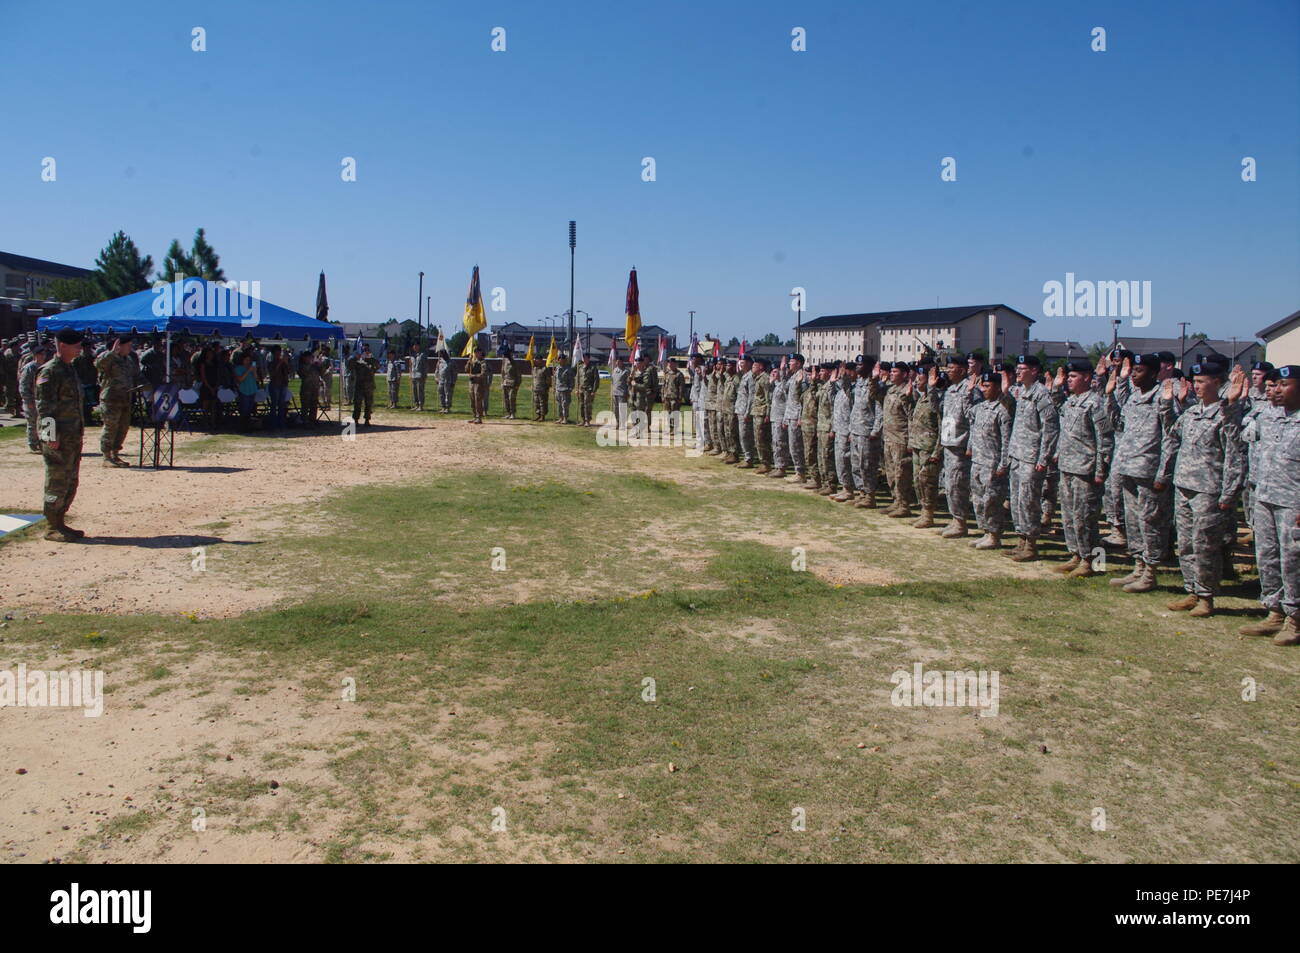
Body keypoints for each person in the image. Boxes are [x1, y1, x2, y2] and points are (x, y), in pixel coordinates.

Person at [1156, 362, 1246, 618]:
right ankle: (1192, 590)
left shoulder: (1225, 415)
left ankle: (1206, 596)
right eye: (1195, 381)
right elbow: (1171, 434)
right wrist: (1168, 405)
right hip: (1184, 486)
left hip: (1209, 489)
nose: (1196, 386)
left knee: (1205, 544)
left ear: (1217, 383)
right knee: (1185, 543)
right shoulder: (1191, 413)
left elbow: (1235, 455)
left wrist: (1229, 493)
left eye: (1202, 381)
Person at [1241, 365, 1300, 644]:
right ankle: (1274, 611)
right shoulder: (1268, 416)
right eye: (1274, 385)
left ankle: (1295, 619)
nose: (1276, 390)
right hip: (1264, 497)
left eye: (1284, 385)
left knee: (1293, 561)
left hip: (1293, 504)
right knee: (1268, 557)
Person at [1107, 354, 1175, 593]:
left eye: (1140, 370)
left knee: (1150, 523)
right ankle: (1138, 566)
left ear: (1154, 373)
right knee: (1133, 522)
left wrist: (1164, 474)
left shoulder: (1162, 398)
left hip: (1148, 471)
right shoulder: (1134, 397)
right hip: (1128, 468)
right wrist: (1110, 396)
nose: (1134, 374)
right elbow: (1118, 425)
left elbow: (1171, 437)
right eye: (1134, 370)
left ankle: (1151, 572)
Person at [1052, 360, 1113, 578]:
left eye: (1073, 376)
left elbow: (1105, 439)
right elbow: (1056, 408)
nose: (1069, 380)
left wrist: (1101, 470)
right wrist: (1056, 387)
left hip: (1086, 471)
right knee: (1069, 517)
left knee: (1087, 518)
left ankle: (1094, 562)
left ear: (1087, 377)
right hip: (1068, 466)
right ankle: (1077, 554)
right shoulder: (1071, 402)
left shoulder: (1095, 403)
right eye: (1068, 377)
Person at [1004, 354, 1060, 562]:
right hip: (1017, 455)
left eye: (1022, 368)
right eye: (1017, 368)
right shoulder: (1020, 392)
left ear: (1034, 371)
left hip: (1031, 457)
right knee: (1017, 500)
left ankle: (1031, 544)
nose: (1018, 372)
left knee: (1029, 501)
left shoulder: (1041, 394)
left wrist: (1044, 458)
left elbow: (1050, 429)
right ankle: (1021, 539)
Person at [36, 329, 88, 542]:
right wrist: (50, 436)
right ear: (63, 346)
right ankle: (51, 526)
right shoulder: (50, 371)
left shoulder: (69, 368)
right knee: (57, 481)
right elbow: (44, 407)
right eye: (77, 346)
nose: (80, 349)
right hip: (57, 438)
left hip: (71, 435)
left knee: (70, 480)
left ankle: (60, 522)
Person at [966, 371, 1013, 550]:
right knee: (978, 499)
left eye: (988, 386)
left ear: (997, 387)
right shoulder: (980, 407)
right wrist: (970, 392)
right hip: (978, 461)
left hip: (992, 463)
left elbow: (1006, 440)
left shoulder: (1002, 410)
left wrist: (1003, 464)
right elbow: (970, 422)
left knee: (991, 501)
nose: (984, 389)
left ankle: (994, 535)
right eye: (982, 386)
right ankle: (986, 532)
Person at [938, 352, 979, 538]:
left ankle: (961, 522)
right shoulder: (951, 390)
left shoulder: (970, 390)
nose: (948, 371)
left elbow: (974, 420)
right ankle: (955, 519)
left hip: (960, 446)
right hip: (949, 443)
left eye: (952, 368)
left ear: (962, 370)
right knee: (950, 484)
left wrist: (970, 446)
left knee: (958, 484)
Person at [94, 335, 137, 466]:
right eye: (128, 345)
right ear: (119, 346)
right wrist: (111, 353)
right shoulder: (109, 357)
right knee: (111, 426)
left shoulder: (128, 360)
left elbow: (136, 375)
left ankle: (115, 454)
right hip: (111, 399)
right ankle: (106, 457)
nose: (130, 348)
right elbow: (98, 364)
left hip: (125, 398)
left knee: (122, 427)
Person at [908, 364, 942, 525]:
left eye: (919, 379)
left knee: (927, 481)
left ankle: (929, 514)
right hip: (917, 445)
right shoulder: (922, 398)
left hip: (929, 447)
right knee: (917, 481)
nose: (916, 381)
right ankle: (923, 511)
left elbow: (942, 427)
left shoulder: (937, 399)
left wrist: (937, 451)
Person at [881, 362, 915, 517]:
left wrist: (911, 441)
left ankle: (904, 505)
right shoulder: (890, 390)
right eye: (891, 371)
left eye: (895, 371)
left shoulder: (908, 391)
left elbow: (912, 418)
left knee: (902, 474)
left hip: (901, 439)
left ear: (904, 374)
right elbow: (874, 395)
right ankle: (896, 500)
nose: (891, 374)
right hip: (889, 437)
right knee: (891, 473)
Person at [830, 360, 857, 501]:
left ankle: (849, 489)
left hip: (847, 430)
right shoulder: (841, 390)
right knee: (839, 460)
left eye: (848, 372)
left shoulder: (853, 390)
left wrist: (844, 377)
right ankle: (844, 488)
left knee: (846, 461)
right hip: (839, 429)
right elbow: (832, 403)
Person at [20, 341, 50, 453]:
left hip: (41, 400)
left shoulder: (44, 367)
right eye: (40, 354)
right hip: (31, 399)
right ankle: (33, 444)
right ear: (35, 355)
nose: (43, 356)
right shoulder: (29, 367)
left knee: (44, 422)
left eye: (44, 354)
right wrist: (28, 400)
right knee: (32, 422)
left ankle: (44, 443)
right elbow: (23, 386)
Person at [748, 356, 772, 472]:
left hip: (762, 413)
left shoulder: (765, 379)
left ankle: (765, 463)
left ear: (761, 367)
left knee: (761, 439)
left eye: (754, 366)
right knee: (757, 439)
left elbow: (768, 398)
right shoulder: (757, 378)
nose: (752, 368)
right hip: (756, 412)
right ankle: (763, 462)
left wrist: (768, 414)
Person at [733, 356, 755, 466]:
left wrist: (747, 412)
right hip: (740, 409)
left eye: (743, 362)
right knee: (742, 435)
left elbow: (751, 396)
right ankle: (747, 457)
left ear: (749, 363)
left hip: (745, 411)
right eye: (740, 362)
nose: (741, 364)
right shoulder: (744, 376)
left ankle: (748, 458)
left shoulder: (750, 376)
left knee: (745, 435)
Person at [348, 345, 378, 426]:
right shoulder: (358, 361)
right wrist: (356, 357)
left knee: (368, 404)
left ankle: (367, 420)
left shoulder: (371, 361)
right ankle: (356, 419)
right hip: (359, 385)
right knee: (357, 403)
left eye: (367, 351)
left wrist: (371, 359)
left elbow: (377, 366)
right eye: (364, 351)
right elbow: (349, 365)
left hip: (369, 386)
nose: (366, 353)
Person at [630, 353, 658, 437]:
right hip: (633, 396)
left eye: (639, 363)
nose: (637, 365)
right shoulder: (635, 372)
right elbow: (629, 382)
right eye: (636, 363)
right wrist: (631, 375)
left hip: (641, 396)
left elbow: (646, 386)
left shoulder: (647, 372)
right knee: (633, 414)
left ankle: (640, 431)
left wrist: (635, 385)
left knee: (641, 414)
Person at [233, 348, 259, 430]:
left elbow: (256, 378)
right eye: (246, 360)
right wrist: (248, 370)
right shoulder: (238, 368)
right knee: (244, 409)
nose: (248, 361)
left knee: (250, 409)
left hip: (252, 390)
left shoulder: (251, 367)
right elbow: (240, 379)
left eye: (249, 360)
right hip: (244, 391)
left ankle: (248, 426)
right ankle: (242, 426)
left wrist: (254, 371)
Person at [298, 346, 322, 426]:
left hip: (315, 388)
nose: (310, 359)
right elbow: (303, 374)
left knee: (314, 405)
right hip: (306, 389)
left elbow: (322, 372)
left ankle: (312, 419)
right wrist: (311, 364)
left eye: (311, 357)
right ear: (304, 358)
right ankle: (304, 420)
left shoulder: (314, 366)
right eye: (309, 357)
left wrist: (319, 364)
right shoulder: (302, 366)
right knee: (305, 405)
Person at [661, 357, 686, 437]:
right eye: (669, 363)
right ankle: (670, 429)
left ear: (675, 364)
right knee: (668, 414)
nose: (670, 365)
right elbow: (664, 385)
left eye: (672, 363)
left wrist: (680, 397)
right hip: (667, 397)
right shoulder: (667, 373)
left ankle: (675, 429)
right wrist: (662, 395)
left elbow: (681, 387)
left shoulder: (679, 374)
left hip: (675, 397)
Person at [575, 350, 600, 427]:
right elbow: (577, 378)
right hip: (581, 389)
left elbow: (596, 380)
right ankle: (583, 420)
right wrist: (576, 389)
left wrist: (594, 391)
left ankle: (587, 420)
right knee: (582, 405)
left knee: (587, 405)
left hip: (588, 390)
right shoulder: (580, 367)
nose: (585, 359)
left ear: (589, 359)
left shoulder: (593, 368)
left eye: (586, 358)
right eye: (584, 358)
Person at [267, 345, 291, 428]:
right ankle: (273, 424)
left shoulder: (283, 363)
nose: (278, 355)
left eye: (279, 353)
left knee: (282, 405)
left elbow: (289, 371)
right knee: (274, 405)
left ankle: (281, 423)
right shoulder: (271, 363)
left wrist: (286, 363)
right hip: (275, 385)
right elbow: (272, 373)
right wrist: (280, 363)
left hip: (283, 385)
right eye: (277, 354)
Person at [467, 346, 489, 423]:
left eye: (477, 352)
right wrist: (469, 361)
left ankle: (479, 417)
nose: (476, 354)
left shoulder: (483, 363)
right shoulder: (473, 362)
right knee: (472, 400)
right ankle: (474, 416)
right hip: (472, 384)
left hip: (479, 384)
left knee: (478, 401)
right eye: (475, 352)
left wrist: (474, 376)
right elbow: (466, 369)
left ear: (481, 352)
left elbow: (484, 374)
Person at [554, 351, 576, 424]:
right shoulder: (557, 368)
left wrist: (570, 389)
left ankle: (565, 418)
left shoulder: (568, 369)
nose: (560, 361)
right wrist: (554, 387)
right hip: (558, 389)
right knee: (559, 404)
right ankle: (560, 418)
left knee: (565, 405)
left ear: (565, 360)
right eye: (559, 359)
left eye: (562, 359)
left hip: (565, 390)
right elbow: (555, 378)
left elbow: (572, 380)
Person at [500, 348, 522, 419]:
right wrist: (502, 382)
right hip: (505, 383)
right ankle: (508, 413)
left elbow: (518, 375)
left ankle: (513, 413)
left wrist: (518, 384)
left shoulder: (514, 363)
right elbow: (503, 372)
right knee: (506, 399)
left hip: (513, 384)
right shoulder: (504, 361)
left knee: (511, 399)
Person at [610, 355, 630, 430]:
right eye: (617, 361)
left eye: (619, 361)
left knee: (622, 409)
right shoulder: (614, 370)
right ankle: (617, 422)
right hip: (615, 393)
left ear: (622, 362)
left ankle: (623, 424)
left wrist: (628, 393)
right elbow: (612, 381)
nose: (617, 362)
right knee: (616, 409)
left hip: (622, 393)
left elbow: (629, 383)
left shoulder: (626, 371)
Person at [410, 344, 427, 411]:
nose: (415, 347)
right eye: (414, 346)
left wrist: (425, 375)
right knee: (414, 391)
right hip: (413, 375)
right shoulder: (412, 356)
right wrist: (410, 374)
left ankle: (421, 405)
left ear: (419, 346)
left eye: (416, 346)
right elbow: (411, 366)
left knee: (420, 391)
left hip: (420, 375)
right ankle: (416, 404)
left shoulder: (422, 355)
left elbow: (425, 366)